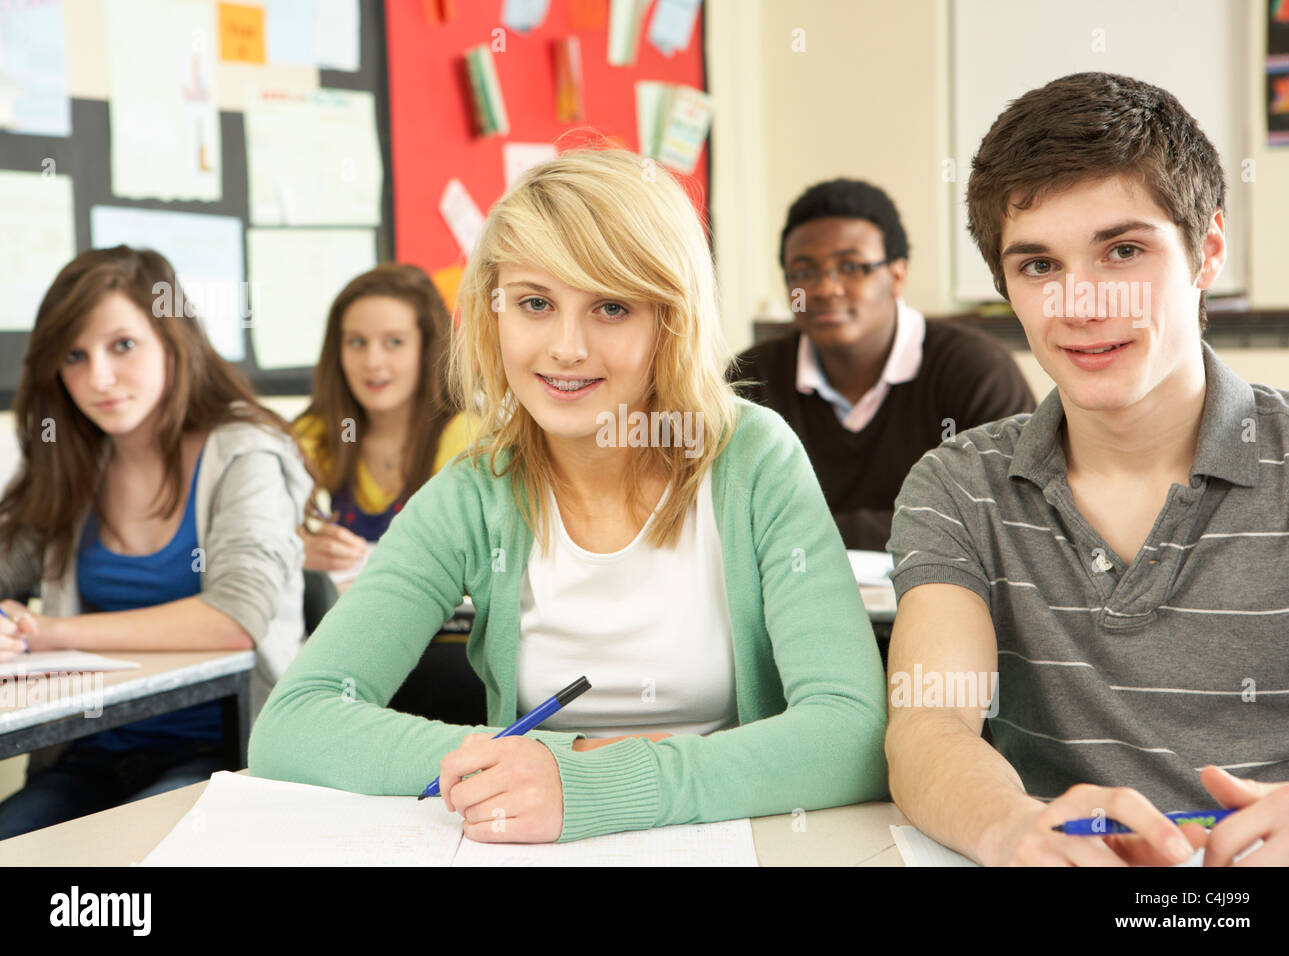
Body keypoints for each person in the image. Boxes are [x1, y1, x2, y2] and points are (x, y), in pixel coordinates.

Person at [249, 148, 888, 843]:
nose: (566, 347)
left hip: (724, 841)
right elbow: (294, 723)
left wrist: (605, 783)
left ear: (670, 321)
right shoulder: (474, 492)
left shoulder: (752, 460)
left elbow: (851, 732)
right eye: (534, 304)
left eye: (611, 307)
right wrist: (545, 766)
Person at [885, 72, 1289, 866]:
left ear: (1208, 250)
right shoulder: (958, 485)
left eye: (1123, 251)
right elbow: (929, 724)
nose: (1080, 305)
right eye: (1039, 265)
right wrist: (1008, 827)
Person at [0, 246, 311, 839]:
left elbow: (234, 617)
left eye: (122, 345)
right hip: (87, 755)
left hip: (226, 753)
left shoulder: (244, 453)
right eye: (74, 356)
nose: (99, 378)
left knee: (134, 860)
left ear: (172, 340)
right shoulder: (72, 463)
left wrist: (48, 632)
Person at [731, 179, 1036, 550]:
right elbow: (731, 518)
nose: (826, 288)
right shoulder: (750, 379)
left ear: (897, 276)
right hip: (792, 595)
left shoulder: (976, 370)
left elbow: (1004, 514)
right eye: (804, 272)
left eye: (852, 267)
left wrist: (805, 533)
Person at [293, 264, 469, 584]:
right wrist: (295, 550)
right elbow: (258, 537)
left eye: (394, 342)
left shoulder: (469, 438)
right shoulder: (316, 434)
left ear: (428, 349)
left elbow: (469, 564)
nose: (373, 362)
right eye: (357, 343)